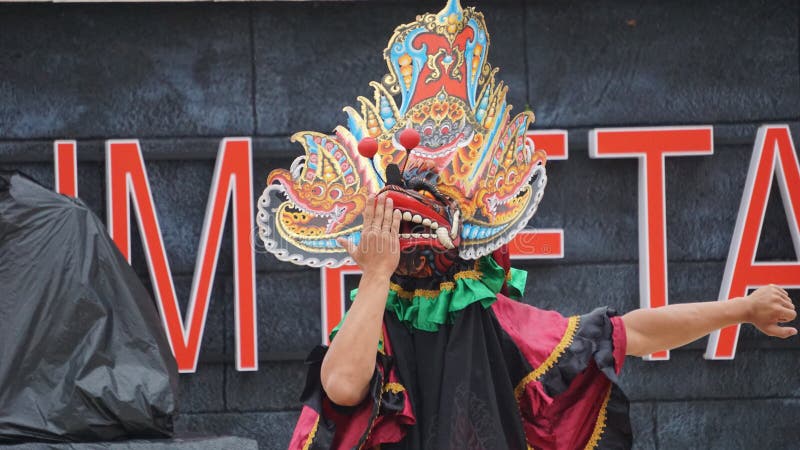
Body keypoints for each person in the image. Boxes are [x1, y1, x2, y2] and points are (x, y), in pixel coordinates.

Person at [253, 1, 797, 448]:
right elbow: (343, 386)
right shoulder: (372, 323)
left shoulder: (499, 324)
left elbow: (636, 330)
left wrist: (742, 309)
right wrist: (374, 278)